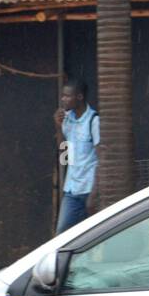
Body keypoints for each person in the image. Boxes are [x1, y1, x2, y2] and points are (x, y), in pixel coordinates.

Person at [53, 78, 100, 234]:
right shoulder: (66, 120)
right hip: (72, 190)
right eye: (63, 96)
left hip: (89, 188)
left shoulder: (94, 121)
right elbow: (64, 155)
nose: (63, 99)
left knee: (92, 235)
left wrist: (94, 193)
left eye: (67, 96)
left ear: (79, 97)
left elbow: (102, 159)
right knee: (62, 233)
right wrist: (58, 127)